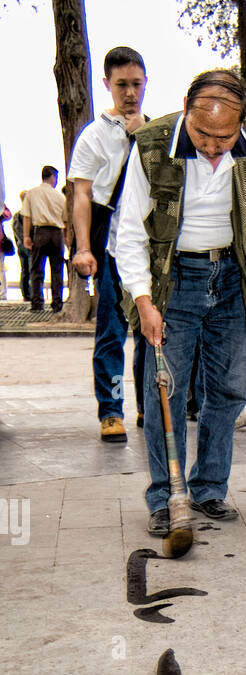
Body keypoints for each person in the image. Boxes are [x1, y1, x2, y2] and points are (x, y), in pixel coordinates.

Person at [116, 68, 246, 537]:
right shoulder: (152, 146)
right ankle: (165, 497)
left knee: (228, 390)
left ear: (242, 124)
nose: (212, 147)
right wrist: (145, 300)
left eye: (224, 138)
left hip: (232, 275)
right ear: (186, 107)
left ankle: (209, 488)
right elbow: (129, 230)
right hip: (175, 279)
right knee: (162, 391)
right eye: (203, 134)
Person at [68, 45, 150, 445]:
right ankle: (111, 411)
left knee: (153, 329)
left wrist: (142, 139)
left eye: (136, 83)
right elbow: (81, 195)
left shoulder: (158, 132)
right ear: (107, 85)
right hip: (111, 244)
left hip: (149, 245)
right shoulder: (94, 136)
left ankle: (147, 406)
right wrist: (84, 248)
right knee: (112, 331)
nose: (130, 93)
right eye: (122, 85)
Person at [22, 166, 67, 312]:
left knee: (36, 270)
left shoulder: (32, 194)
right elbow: (65, 220)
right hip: (56, 234)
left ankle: (37, 303)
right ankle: (57, 303)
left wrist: (26, 236)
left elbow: (27, 216)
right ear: (53, 177)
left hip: (40, 232)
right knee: (57, 270)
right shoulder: (60, 196)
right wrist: (66, 239)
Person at [11, 194, 31, 301]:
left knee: (24, 270)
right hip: (27, 245)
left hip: (20, 246)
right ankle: (31, 293)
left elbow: (16, 230)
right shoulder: (27, 214)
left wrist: (19, 242)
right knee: (31, 269)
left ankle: (25, 293)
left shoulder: (16, 215)